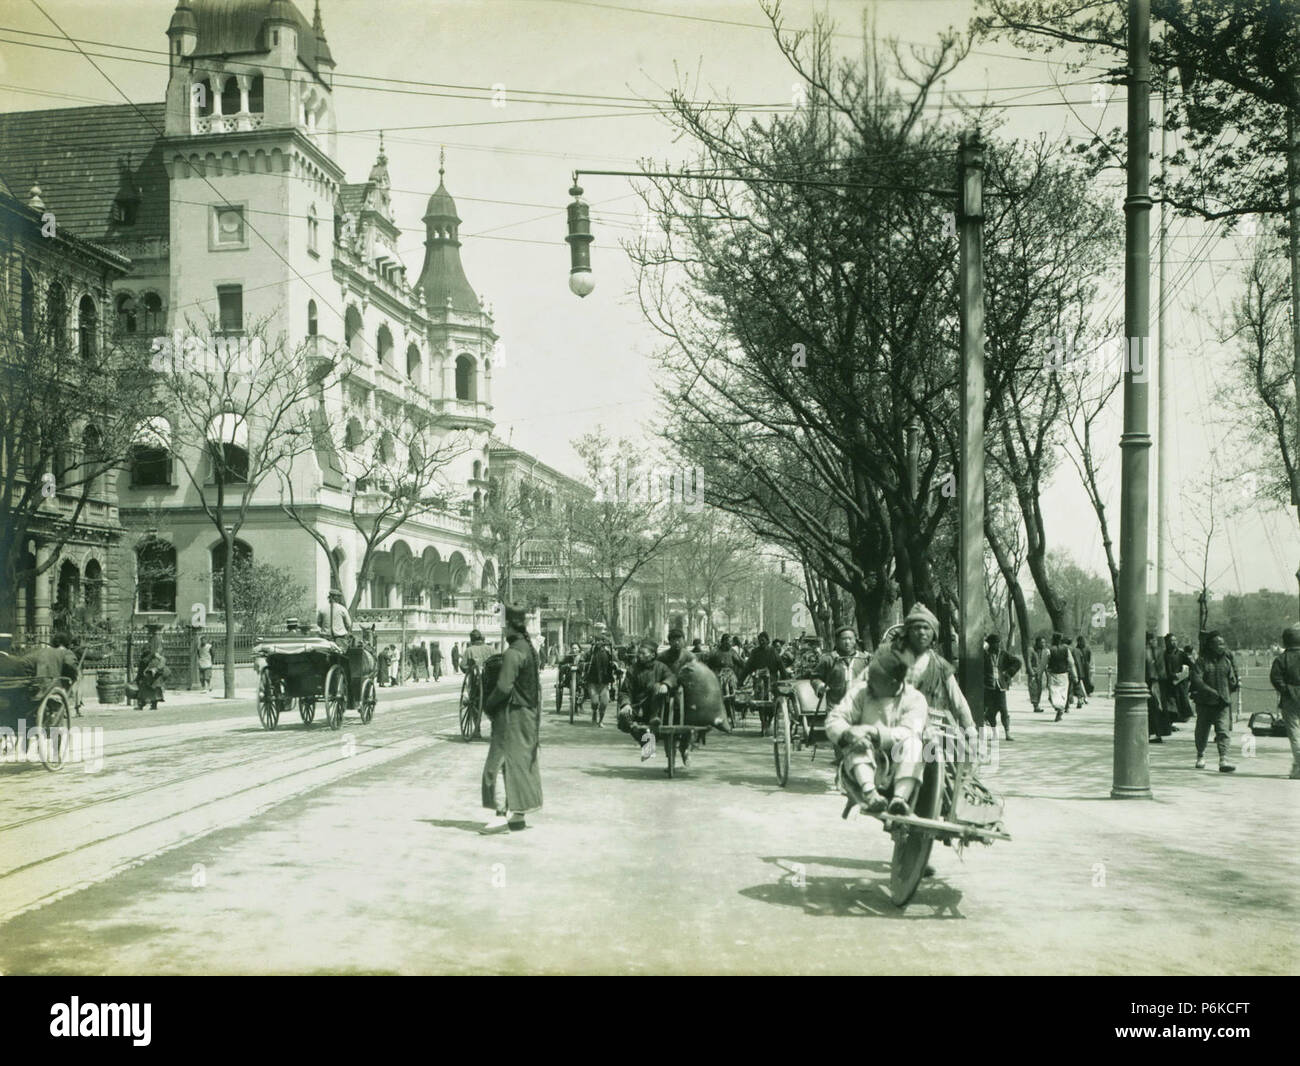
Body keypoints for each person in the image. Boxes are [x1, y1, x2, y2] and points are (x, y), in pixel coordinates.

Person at [826, 647, 928, 815]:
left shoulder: (916, 699)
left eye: (875, 680)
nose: (869, 683)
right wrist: (846, 733)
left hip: (898, 762)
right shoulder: (861, 692)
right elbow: (835, 718)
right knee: (857, 744)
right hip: (862, 766)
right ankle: (871, 795)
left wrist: (874, 732)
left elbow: (910, 731)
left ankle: (899, 799)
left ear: (893, 682)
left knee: (915, 745)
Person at [479, 605, 543, 834]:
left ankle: (499, 815)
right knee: (521, 764)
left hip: (511, 715)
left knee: (497, 763)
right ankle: (517, 816)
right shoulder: (529, 649)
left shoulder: (512, 653)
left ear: (510, 626)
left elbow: (504, 687)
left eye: (503, 623)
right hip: (528, 715)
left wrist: (488, 704)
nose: (501, 627)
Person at [894, 604, 977, 739]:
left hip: (935, 730)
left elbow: (957, 698)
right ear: (907, 633)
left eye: (926, 628)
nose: (921, 632)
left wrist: (969, 726)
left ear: (933, 634)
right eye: (916, 628)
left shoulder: (940, 665)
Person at [617, 640, 678, 765]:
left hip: (658, 710)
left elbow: (672, 677)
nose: (639, 656)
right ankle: (647, 743)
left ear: (652, 655)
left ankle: (653, 719)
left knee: (657, 686)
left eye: (643, 653)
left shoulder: (661, 667)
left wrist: (666, 684)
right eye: (638, 653)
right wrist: (626, 704)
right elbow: (624, 691)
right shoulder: (633, 670)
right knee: (623, 718)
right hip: (637, 707)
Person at [1190, 631, 1238, 772]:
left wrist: (1233, 683)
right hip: (1205, 703)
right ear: (1211, 645)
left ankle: (1223, 758)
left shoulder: (1227, 661)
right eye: (1219, 644)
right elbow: (1197, 680)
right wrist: (1211, 692)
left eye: (1223, 643)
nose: (1222, 646)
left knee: (1223, 731)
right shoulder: (1201, 661)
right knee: (1202, 731)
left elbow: (1232, 678)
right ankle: (1200, 755)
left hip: (1222, 703)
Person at [811, 626, 870, 711]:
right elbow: (815, 677)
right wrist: (820, 686)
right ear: (837, 641)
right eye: (844, 639)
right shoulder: (829, 659)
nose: (847, 642)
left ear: (855, 640)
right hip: (835, 706)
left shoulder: (864, 659)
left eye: (850, 638)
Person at [1268, 623, 1300, 779]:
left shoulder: (1282, 659)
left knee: (1295, 734)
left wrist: (1287, 689)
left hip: (1290, 699)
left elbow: (1275, 678)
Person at [745, 631, 790, 736]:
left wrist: (785, 681)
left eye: (763, 640)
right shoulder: (755, 652)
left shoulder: (773, 652)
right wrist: (741, 680)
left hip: (772, 682)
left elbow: (781, 667)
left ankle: (769, 720)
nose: (762, 642)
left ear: (767, 641)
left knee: (774, 705)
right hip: (759, 682)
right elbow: (748, 667)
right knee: (759, 703)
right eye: (760, 640)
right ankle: (763, 722)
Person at [983, 634, 1021, 743]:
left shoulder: (1003, 654)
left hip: (1000, 687)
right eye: (995, 643)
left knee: (1004, 710)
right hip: (988, 687)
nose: (997, 645)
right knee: (990, 712)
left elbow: (1018, 662)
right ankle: (994, 734)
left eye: (998, 643)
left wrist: (1008, 673)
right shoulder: (984, 655)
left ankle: (1007, 733)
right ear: (990, 644)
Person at [1145, 631, 1172, 742]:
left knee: (1155, 708)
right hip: (1156, 682)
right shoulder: (1156, 651)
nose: (1154, 641)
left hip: (1154, 682)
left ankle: (1155, 732)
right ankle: (1157, 732)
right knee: (1156, 708)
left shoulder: (1153, 651)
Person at [586, 636, 616, 727]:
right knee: (594, 702)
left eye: (601, 641)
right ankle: (594, 713)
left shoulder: (609, 653)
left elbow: (616, 661)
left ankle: (601, 721)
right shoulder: (590, 653)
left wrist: (615, 665)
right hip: (592, 681)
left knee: (604, 703)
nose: (599, 643)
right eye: (597, 641)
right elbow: (582, 662)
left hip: (604, 682)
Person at [1045, 633, 1075, 721]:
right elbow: (1071, 663)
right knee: (1062, 692)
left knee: (1054, 692)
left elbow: (1043, 663)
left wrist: (1039, 674)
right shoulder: (1066, 650)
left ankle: (1059, 708)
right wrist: (1074, 675)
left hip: (1052, 674)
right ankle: (1061, 708)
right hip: (1064, 674)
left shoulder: (1048, 650)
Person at [134, 640, 169, 710]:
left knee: (143, 691)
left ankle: (141, 705)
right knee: (155, 690)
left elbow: (141, 670)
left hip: (148, 676)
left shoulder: (145, 658)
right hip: (156, 677)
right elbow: (163, 660)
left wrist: (137, 679)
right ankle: (153, 705)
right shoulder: (155, 656)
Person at [1069, 636, 1090, 708]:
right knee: (1079, 685)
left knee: (1077, 685)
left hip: (1077, 671)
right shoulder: (1077, 650)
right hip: (1080, 671)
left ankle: (1080, 699)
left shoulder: (1074, 650)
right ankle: (1082, 698)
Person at [1027, 635, 1047, 713]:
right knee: (1033, 689)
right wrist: (1031, 671)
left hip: (1041, 673)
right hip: (1033, 672)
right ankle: (1036, 705)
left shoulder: (1045, 651)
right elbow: (1028, 661)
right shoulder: (1031, 650)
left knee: (1040, 689)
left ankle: (1037, 703)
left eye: (1044, 642)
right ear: (1037, 642)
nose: (1043, 644)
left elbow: (1045, 662)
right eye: (1042, 642)